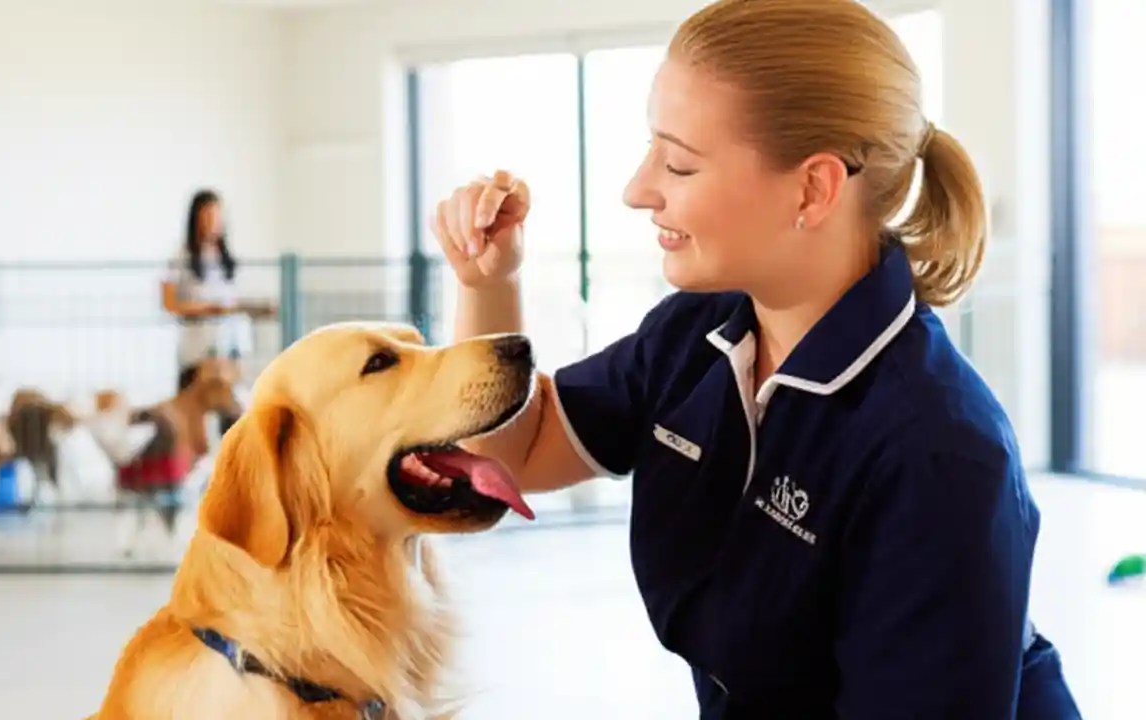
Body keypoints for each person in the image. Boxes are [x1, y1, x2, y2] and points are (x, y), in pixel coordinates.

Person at [430, 0, 1081, 717]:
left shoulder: (938, 454)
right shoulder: (698, 333)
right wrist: (488, 285)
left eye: (678, 163)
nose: (638, 190)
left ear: (813, 188)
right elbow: (512, 455)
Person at [161, 189, 274, 435]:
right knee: (193, 424)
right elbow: (169, 303)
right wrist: (208, 309)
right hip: (197, 354)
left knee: (235, 419)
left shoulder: (227, 261)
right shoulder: (181, 256)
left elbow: (235, 303)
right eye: (207, 215)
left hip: (228, 352)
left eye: (217, 215)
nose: (213, 222)